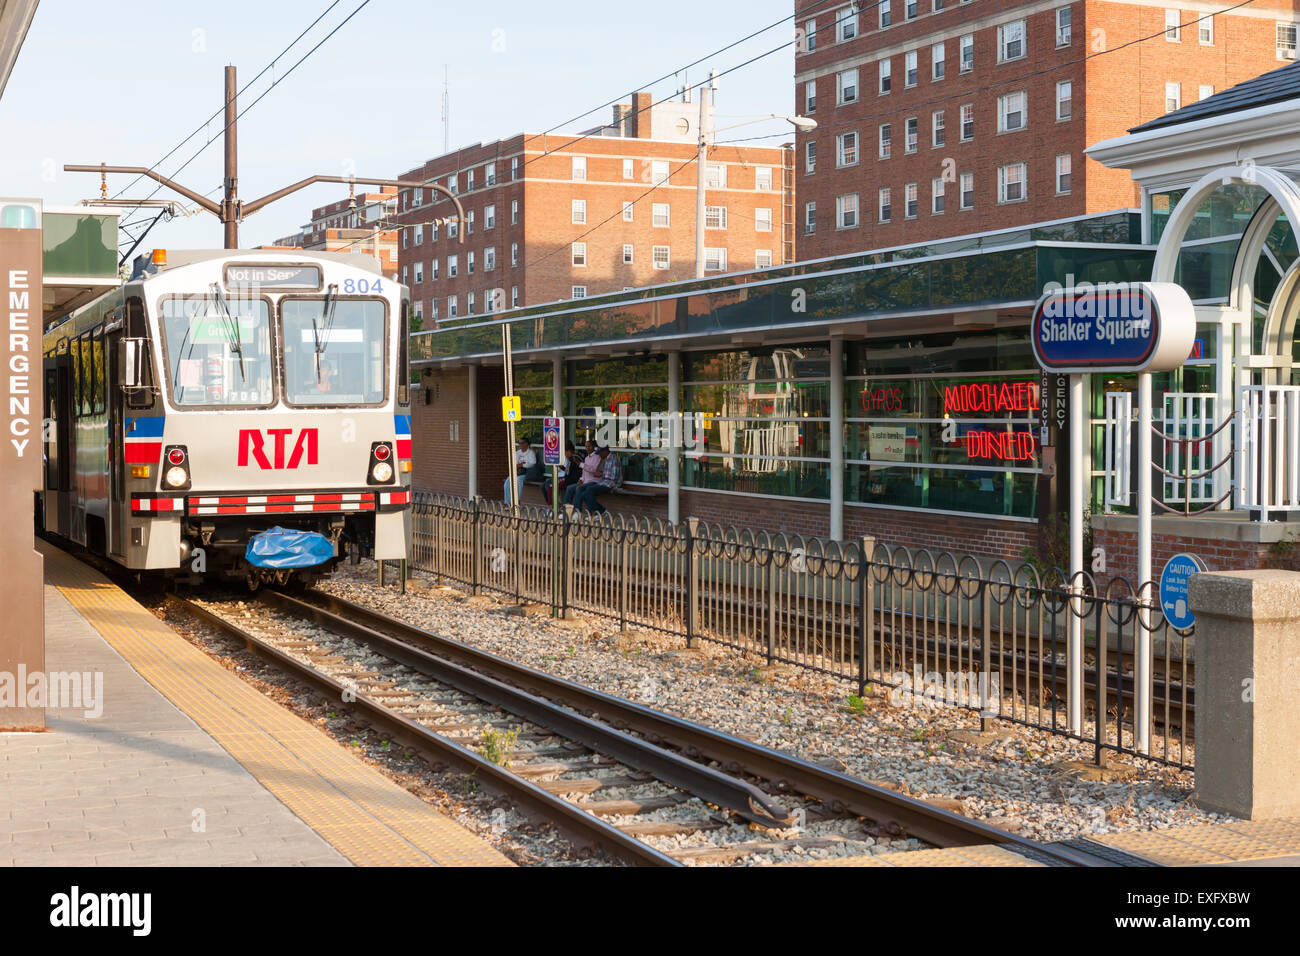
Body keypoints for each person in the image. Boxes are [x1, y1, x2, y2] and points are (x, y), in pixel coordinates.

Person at [578, 445, 623, 514]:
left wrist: (603, 478)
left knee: (589, 490)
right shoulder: (606, 459)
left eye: (600, 453)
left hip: (610, 484)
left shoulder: (614, 459)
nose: (599, 455)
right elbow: (606, 474)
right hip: (604, 482)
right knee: (584, 494)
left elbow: (614, 477)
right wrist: (600, 475)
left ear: (605, 451)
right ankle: (600, 511)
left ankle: (595, 513)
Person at [564, 439, 603, 507]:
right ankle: (567, 509)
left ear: (594, 447)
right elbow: (584, 472)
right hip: (585, 481)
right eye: (586, 446)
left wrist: (580, 464)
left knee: (579, 488)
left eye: (589, 446)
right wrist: (581, 479)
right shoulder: (586, 458)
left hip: (594, 481)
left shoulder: (597, 457)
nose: (587, 448)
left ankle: (577, 511)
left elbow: (593, 469)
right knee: (569, 488)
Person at [540, 439, 580, 504]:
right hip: (566, 478)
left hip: (569, 479)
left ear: (568, 451)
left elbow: (569, 472)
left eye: (564, 452)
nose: (563, 453)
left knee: (550, 486)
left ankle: (553, 507)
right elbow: (567, 471)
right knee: (543, 485)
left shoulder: (574, 458)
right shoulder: (569, 458)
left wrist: (561, 467)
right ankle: (553, 505)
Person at [503, 436, 538, 504]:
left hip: (527, 473)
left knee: (518, 481)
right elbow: (515, 463)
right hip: (518, 472)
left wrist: (522, 465)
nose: (520, 445)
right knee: (507, 482)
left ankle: (517, 501)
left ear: (526, 444)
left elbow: (533, 463)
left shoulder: (531, 453)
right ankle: (507, 502)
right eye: (519, 443)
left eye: (522, 443)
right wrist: (519, 464)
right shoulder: (517, 453)